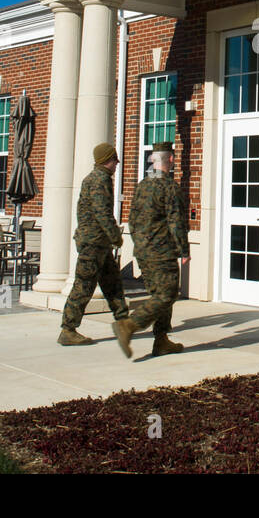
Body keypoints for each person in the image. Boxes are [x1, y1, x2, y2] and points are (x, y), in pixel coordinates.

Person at [113, 141, 189, 358]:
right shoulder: (169, 187)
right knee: (167, 294)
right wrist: (184, 250)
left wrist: (140, 244)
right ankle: (129, 325)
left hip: (143, 250)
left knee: (160, 293)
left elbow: (132, 220)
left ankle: (161, 340)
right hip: (162, 251)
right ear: (171, 160)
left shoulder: (142, 185)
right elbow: (176, 222)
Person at [59, 142, 131, 345]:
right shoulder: (99, 180)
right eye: (115, 159)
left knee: (113, 283)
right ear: (107, 160)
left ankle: (124, 322)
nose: (117, 163)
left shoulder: (97, 178)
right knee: (84, 285)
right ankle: (68, 329)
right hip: (93, 244)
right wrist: (116, 236)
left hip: (100, 244)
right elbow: (102, 213)